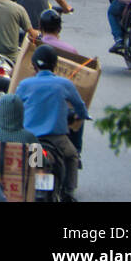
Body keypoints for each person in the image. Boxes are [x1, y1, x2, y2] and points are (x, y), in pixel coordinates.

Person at [16, 44, 88, 202]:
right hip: (58, 139)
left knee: (28, 166)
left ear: (34, 66)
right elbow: (80, 106)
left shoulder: (25, 85)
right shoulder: (64, 84)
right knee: (72, 156)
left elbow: (15, 106)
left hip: (32, 140)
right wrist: (82, 116)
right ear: (55, 65)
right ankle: (68, 192)